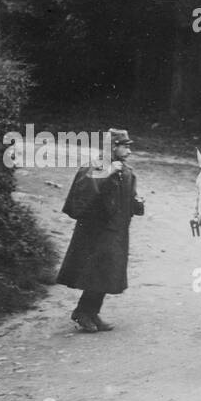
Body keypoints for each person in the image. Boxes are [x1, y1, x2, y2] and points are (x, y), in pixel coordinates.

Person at [56, 128, 144, 332]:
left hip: (115, 231)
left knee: (107, 272)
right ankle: (82, 312)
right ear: (113, 146)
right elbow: (82, 193)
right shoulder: (95, 166)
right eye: (125, 146)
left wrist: (137, 203)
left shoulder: (126, 171)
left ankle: (91, 311)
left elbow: (129, 199)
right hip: (94, 231)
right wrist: (107, 171)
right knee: (95, 272)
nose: (129, 151)